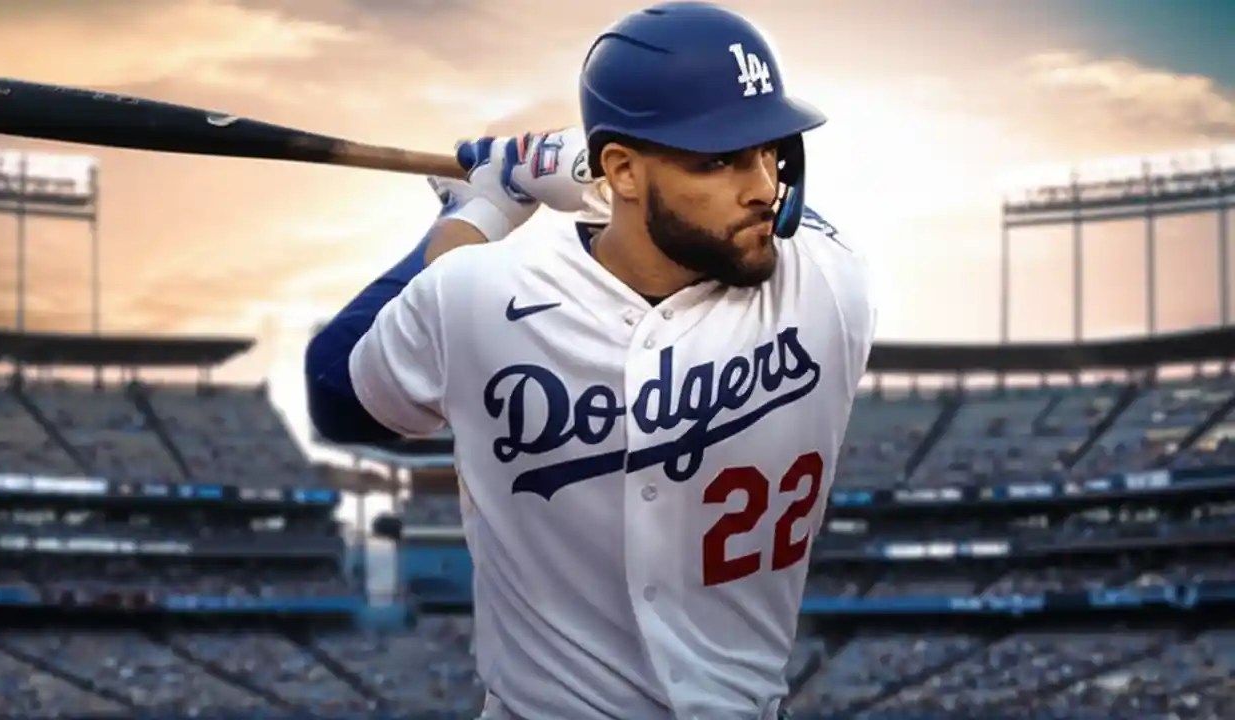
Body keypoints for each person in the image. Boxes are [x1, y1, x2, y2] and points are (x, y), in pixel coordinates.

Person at [305, 2, 877, 718]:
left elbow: (345, 375)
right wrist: (552, 181)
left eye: (771, 150)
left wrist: (482, 208)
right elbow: (334, 391)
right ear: (624, 171)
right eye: (720, 159)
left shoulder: (828, 288)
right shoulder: (831, 274)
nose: (763, 185)